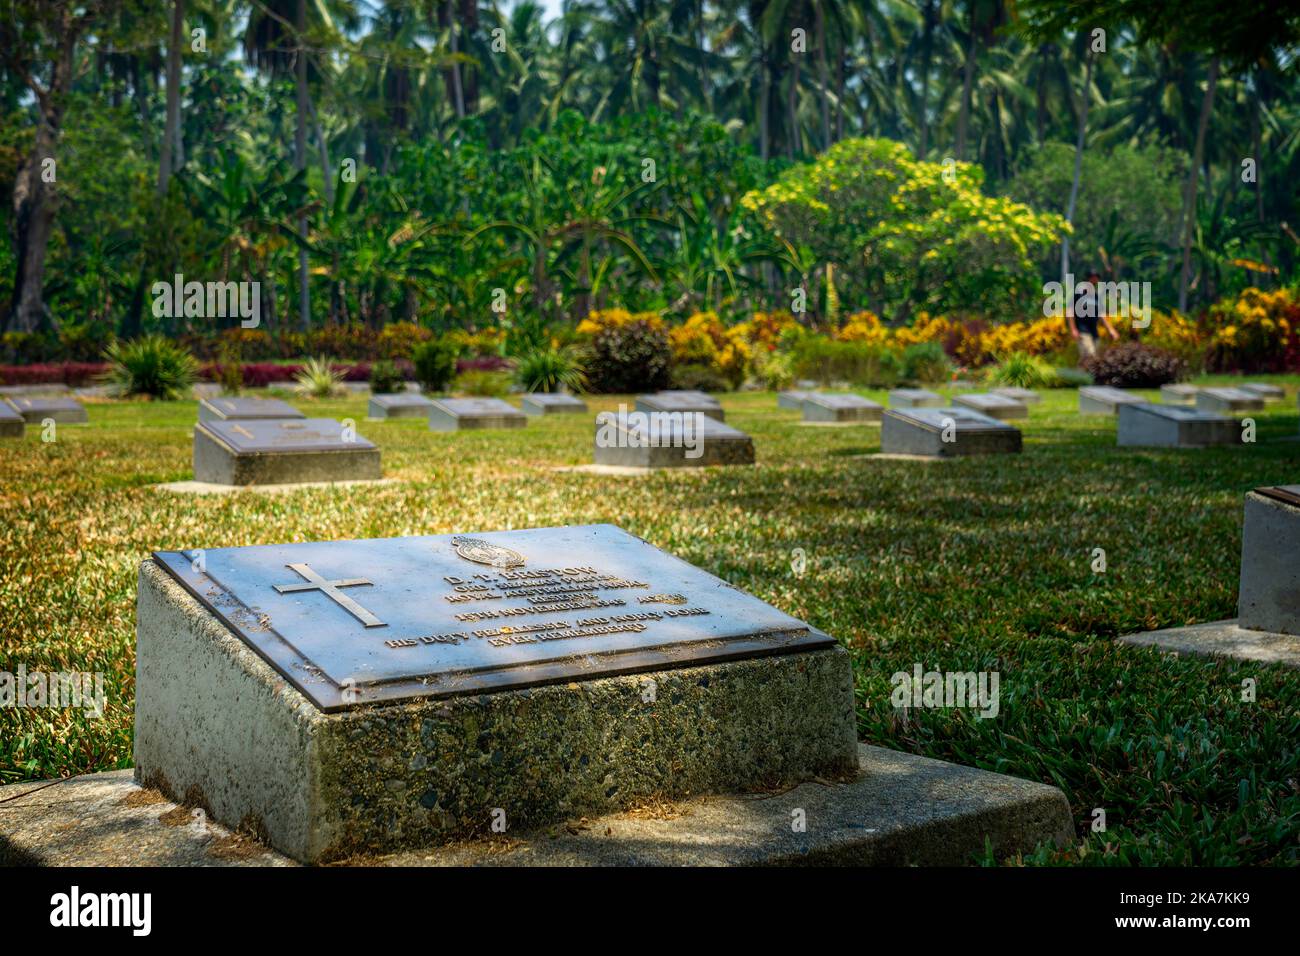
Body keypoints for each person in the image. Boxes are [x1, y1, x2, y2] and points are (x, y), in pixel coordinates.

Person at [1067, 270, 1120, 362]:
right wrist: (1073, 329)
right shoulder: (1079, 293)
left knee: (1093, 359)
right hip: (1082, 331)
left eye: (1097, 278)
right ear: (1088, 279)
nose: (1095, 280)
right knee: (1090, 356)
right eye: (1093, 277)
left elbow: (1101, 315)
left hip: (1094, 332)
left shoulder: (1096, 296)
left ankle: (1080, 374)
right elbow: (1070, 311)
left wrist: (1111, 330)